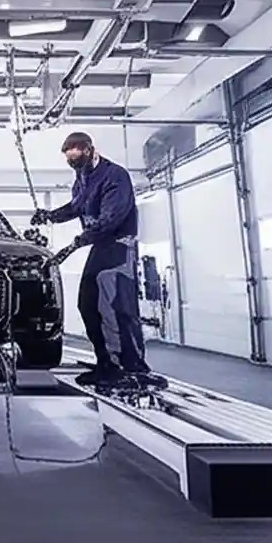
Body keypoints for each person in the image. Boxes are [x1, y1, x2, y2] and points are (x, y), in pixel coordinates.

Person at [32, 132, 165, 389]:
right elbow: (76, 207)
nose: (75, 166)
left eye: (78, 160)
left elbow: (110, 219)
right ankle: (106, 362)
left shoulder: (115, 176)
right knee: (87, 303)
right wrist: (49, 216)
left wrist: (74, 244)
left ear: (91, 151)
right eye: (71, 162)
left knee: (115, 307)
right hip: (99, 245)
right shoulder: (82, 178)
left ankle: (130, 367)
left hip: (117, 246)